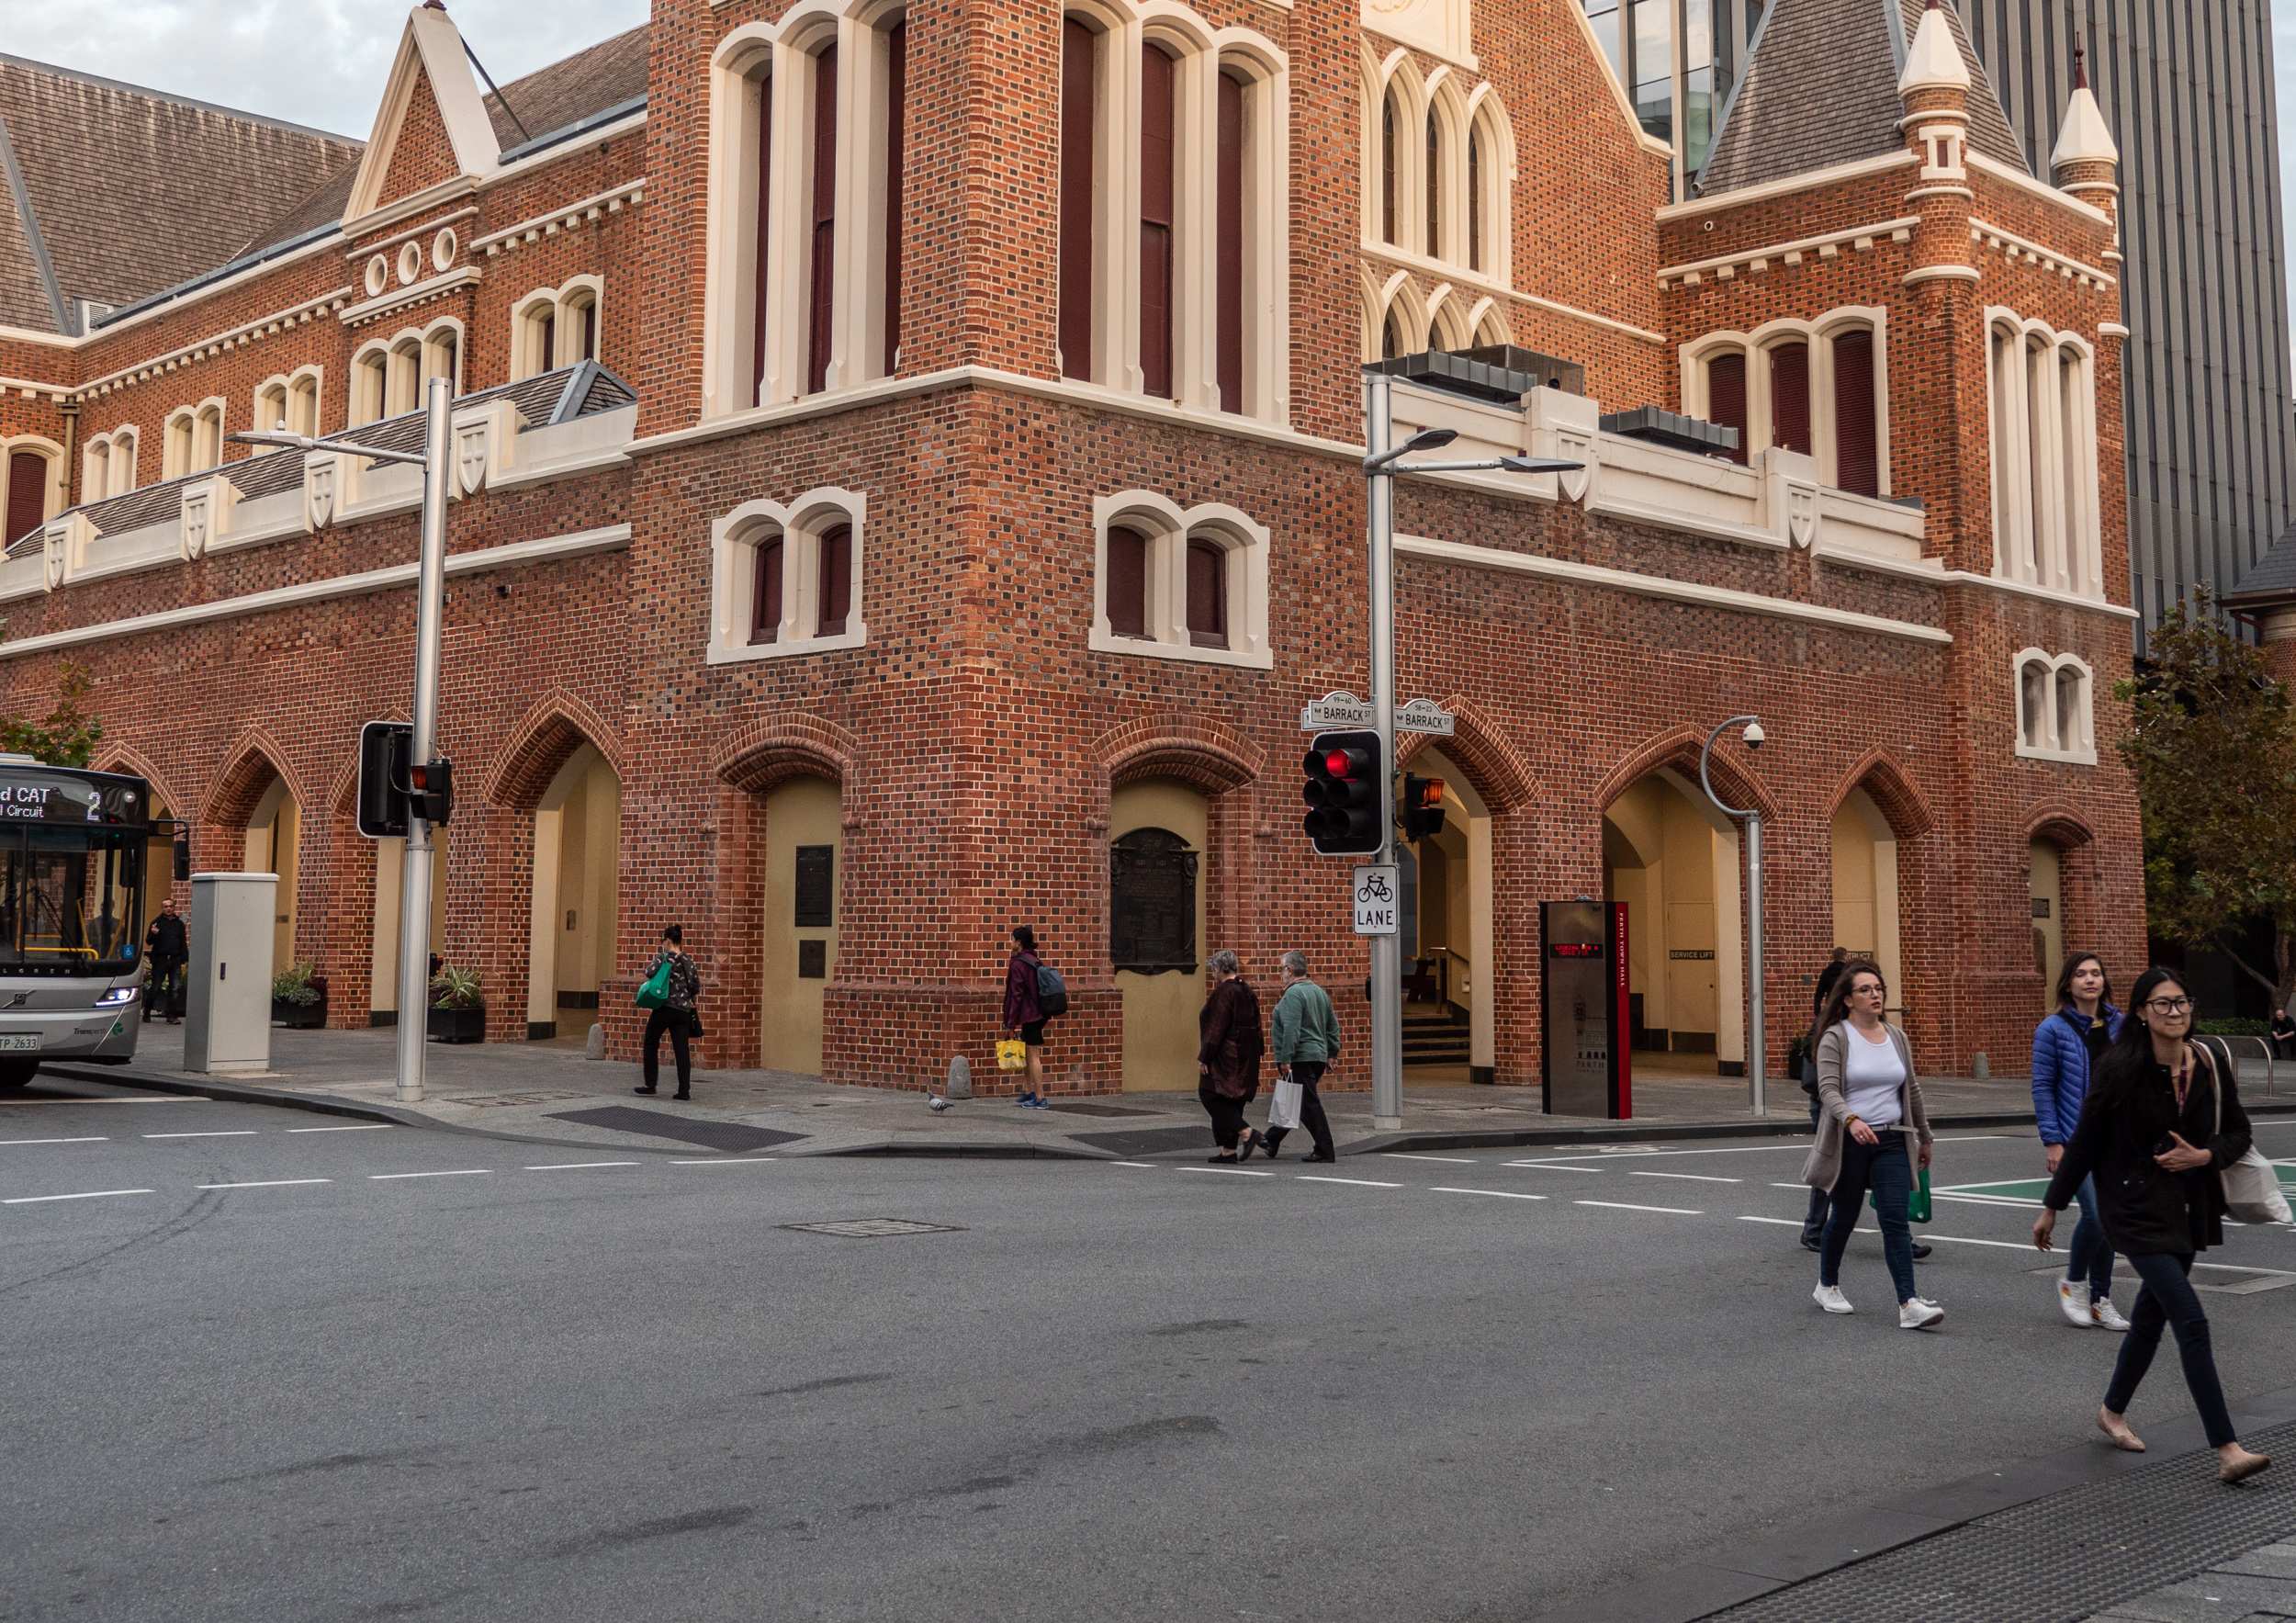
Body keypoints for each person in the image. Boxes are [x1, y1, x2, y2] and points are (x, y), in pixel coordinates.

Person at [2033, 967, 2271, 1483]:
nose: (2175, 1013)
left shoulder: (2207, 1062)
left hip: (2188, 1207)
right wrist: (2053, 1204)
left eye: (2182, 1003)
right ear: (2141, 1011)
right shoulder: (2120, 1068)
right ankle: (2228, 1447)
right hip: (2134, 1209)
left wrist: (2204, 1154)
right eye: (2162, 1004)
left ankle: (2111, 1411)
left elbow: (2238, 1133)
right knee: (2190, 1319)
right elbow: (2087, 1142)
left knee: (2149, 1319)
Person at [1803, 959, 1941, 1328]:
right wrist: (1851, 1119)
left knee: (1895, 1219)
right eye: (1865, 990)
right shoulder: (1837, 1036)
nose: (1875, 994)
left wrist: (1924, 1136)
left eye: (1878, 988)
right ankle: (1827, 1284)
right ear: (1848, 999)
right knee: (1844, 1216)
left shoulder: (1896, 1036)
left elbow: (1910, 1089)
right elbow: (1827, 1089)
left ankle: (1909, 1303)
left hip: (1893, 1139)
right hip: (1850, 1141)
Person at [2032, 951, 2130, 1331]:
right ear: (2068, 983)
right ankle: (2073, 1282)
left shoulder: (2122, 1025)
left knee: (2109, 1219)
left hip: (2118, 1139)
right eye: (2081, 974)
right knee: (2096, 1214)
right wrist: (2052, 1141)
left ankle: (2101, 1299)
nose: (2090, 980)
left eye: (2096, 974)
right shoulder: (2052, 1029)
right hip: (2075, 1137)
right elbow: (2042, 1087)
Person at [1256, 950, 1339, 1164]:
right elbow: (1332, 1026)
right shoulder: (1319, 992)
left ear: (1290, 970)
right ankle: (1271, 1140)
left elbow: (1292, 1029)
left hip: (1300, 1057)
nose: (1281, 974)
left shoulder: (1293, 994)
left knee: (1309, 1105)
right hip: (1317, 1056)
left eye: (1281, 969)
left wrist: (1285, 1059)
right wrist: (1332, 1053)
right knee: (1298, 1102)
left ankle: (1325, 1149)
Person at [1196, 950, 1264, 1164]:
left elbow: (1216, 1028)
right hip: (1247, 1056)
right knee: (1233, 1101)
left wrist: (1205, 1057)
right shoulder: (1246, 990)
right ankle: (1228, 1150)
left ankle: (1247, 1133)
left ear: (1218, 969)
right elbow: (1258, 1025)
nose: (1212, 973)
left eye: (1213, 969)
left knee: (1210, 1094)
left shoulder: (1224, 993)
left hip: (1226, 1058)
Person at [633, 925, 701, 1101]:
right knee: (682, 1050)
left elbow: (649, 972)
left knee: (650, 1041)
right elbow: (695, 986)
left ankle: (650, 1084)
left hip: (665, 1008)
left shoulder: (664, 957)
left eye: (663, 941)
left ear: (668, 941)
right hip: (683, 1011)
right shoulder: (688, 961)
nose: (662, 944)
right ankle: (684, 1090)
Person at [1001, 925, 1052, 1110]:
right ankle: (1028, 1091)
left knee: (1032, 1055)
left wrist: (1010, 1023)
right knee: (1028, 1052)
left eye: (1012, 938)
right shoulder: (1034, 960)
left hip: (1030, 1015)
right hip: (1039, 1013)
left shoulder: (1018, 964)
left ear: (1019, 942)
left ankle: (1040, 1097)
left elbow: (1015, 995)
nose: (1010, 942)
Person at [143, 899, 187, 1023]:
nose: (168, 909)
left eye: (170, 906)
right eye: (166, 906)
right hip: (160, 959)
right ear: (162, 908)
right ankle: (147, 1011)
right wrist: (153, 934)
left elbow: (182, 942)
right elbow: (149, 941)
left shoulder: (179, 924)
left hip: (175, 959)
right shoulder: (156, 923)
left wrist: (184, 957)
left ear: (174, 908)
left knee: (174, 988)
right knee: (156, 987)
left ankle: (171, 1015)